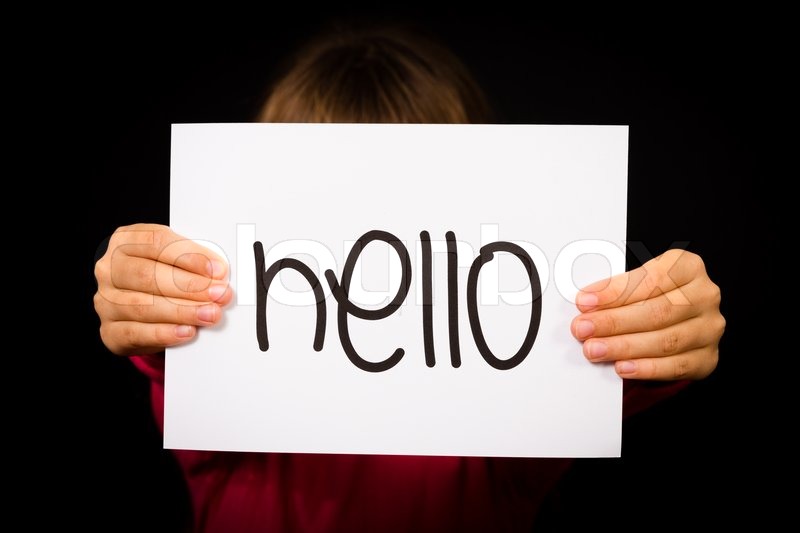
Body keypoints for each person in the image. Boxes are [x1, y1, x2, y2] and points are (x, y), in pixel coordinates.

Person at [93, 25, 725, 531]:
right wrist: (146, 299)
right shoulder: (226, 400)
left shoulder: (498, 429)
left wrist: (659, 324)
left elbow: (588, 370)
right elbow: (173, 359)